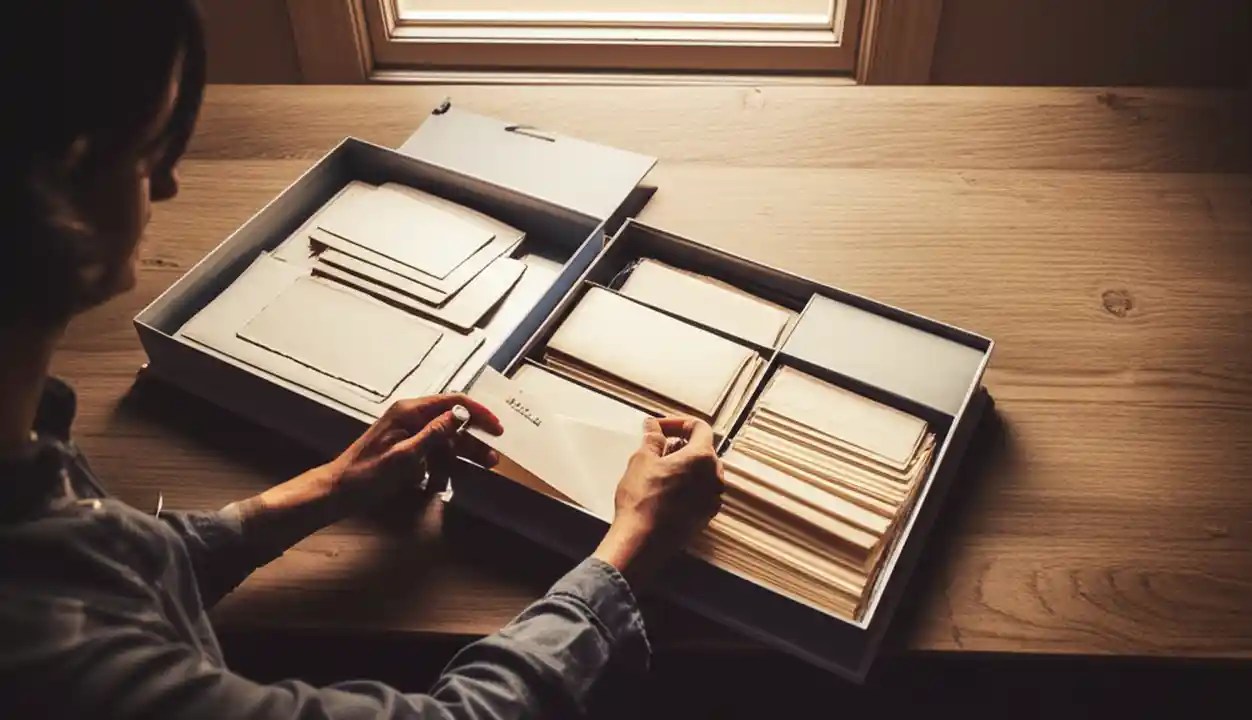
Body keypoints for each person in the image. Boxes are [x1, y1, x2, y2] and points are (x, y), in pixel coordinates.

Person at [0, 2, 725, 718]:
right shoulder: (58, 658)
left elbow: (105, 561)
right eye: (144, 154)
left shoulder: (27, 460)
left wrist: (328, 485)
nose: (165, 187)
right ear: (56, 188)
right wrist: (630, 546)